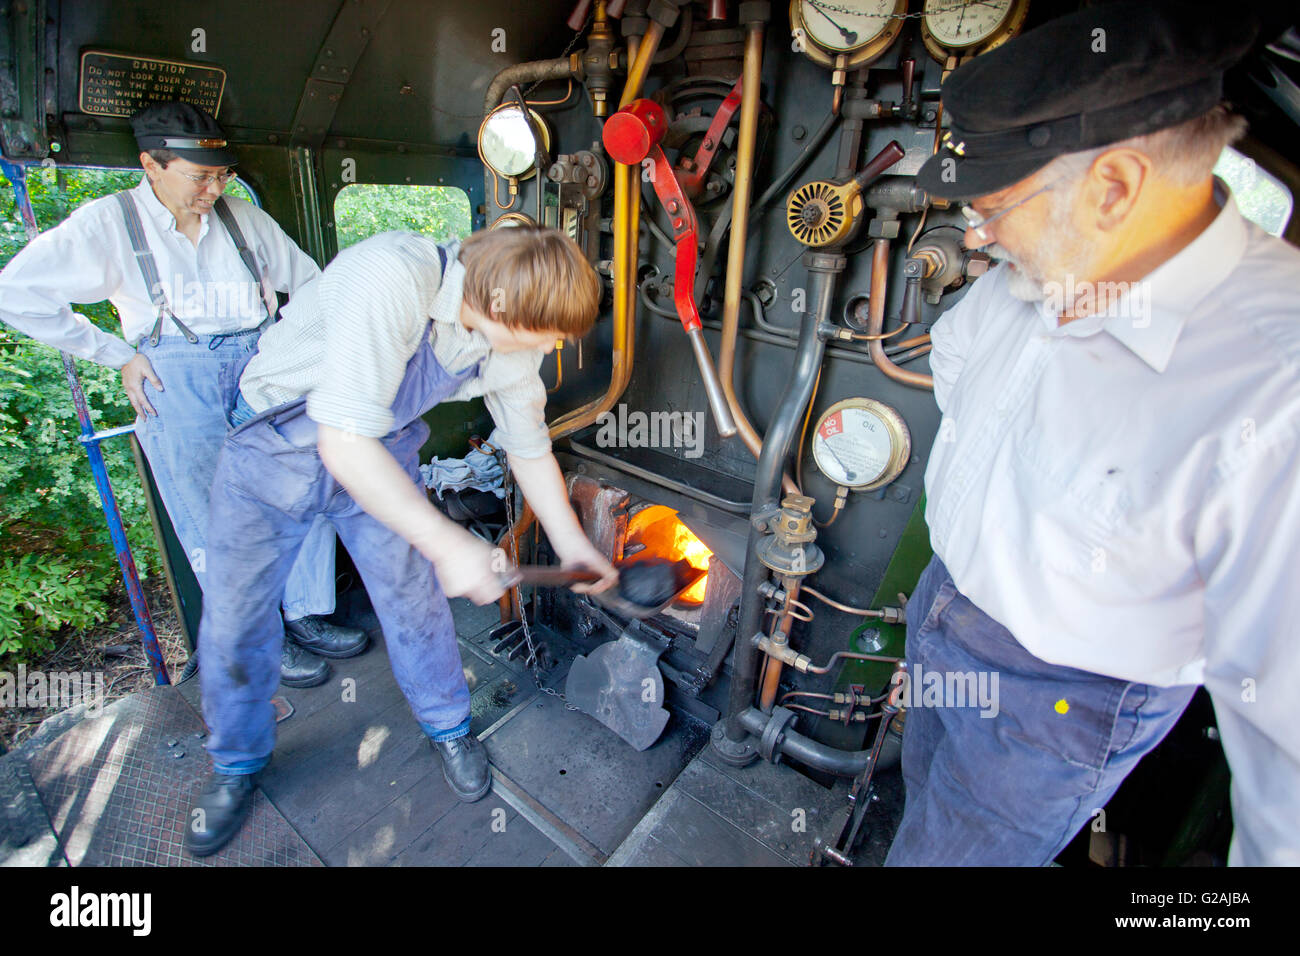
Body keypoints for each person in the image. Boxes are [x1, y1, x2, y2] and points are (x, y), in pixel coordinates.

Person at [890, 1, 1299, 866]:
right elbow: (961, 368)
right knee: (918, 814)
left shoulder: (1275, 381)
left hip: (1056, 703)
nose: (976, 232)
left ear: (1113, 187)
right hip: (943, 608)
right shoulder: (1033, 269)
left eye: (995, 204)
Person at [183, 225, 619, 856]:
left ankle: (448, 727)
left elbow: (528, 446)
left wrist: (572, 543)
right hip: (278, 444)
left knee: (414, 598)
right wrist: (451, 545)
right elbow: (341, 442)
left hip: (379, 443)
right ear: (499, 305)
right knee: (239, 612)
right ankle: (235, 762)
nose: (553, 346)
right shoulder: (390, 274)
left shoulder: (510, 340)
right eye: (548, 334)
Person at [0, 101, 366, 686]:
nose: (214, 188)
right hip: (175, 377)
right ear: (151, 165)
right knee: (214, 520)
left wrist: (306, 352)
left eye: (221, 175)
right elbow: (15, 294)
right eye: (199, 177)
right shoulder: (108, 223)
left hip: (264, 366)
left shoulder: (244, 218)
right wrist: (117, 354)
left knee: (305, 489)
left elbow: (313, 289)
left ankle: (305, 614)